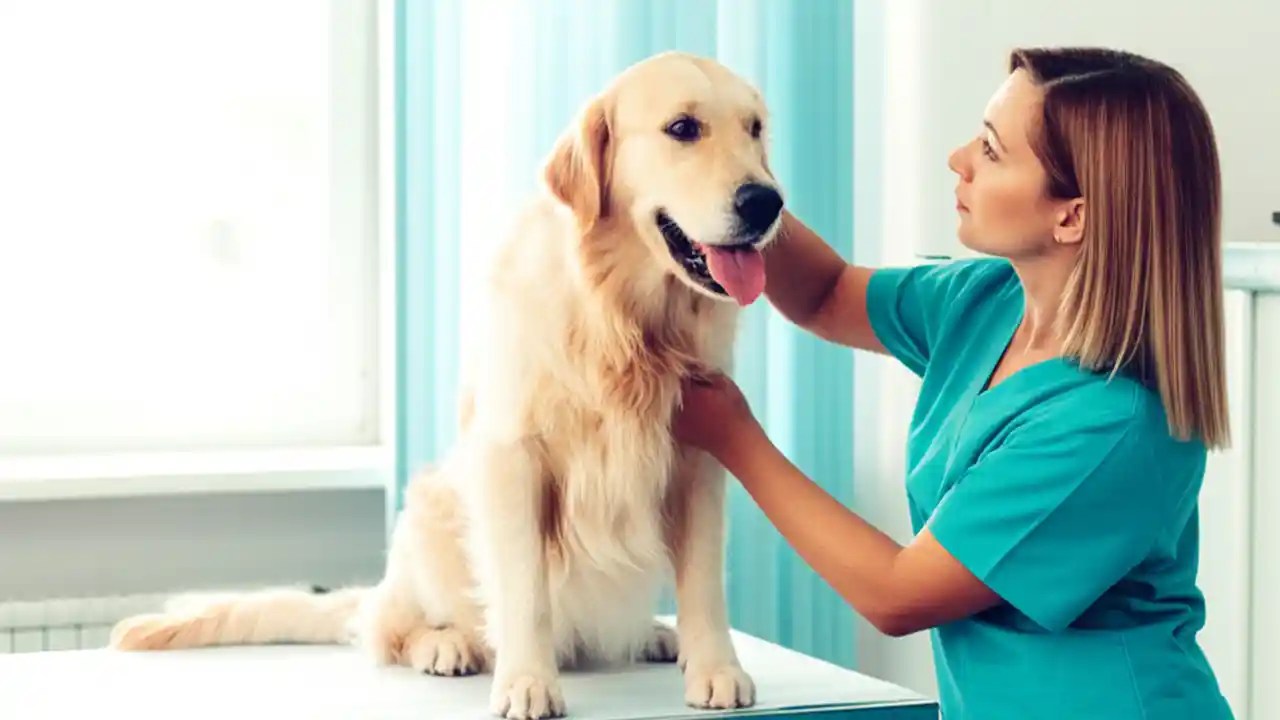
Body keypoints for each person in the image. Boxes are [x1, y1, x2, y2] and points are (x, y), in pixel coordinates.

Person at [673, 47, 1235, 720]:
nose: (959, 159)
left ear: (1072, 216)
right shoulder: (989, 300)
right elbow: (824, 294)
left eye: (993, 152)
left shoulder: (1110, 422)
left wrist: (734, 437)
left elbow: (898, 595)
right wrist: (729, 184)